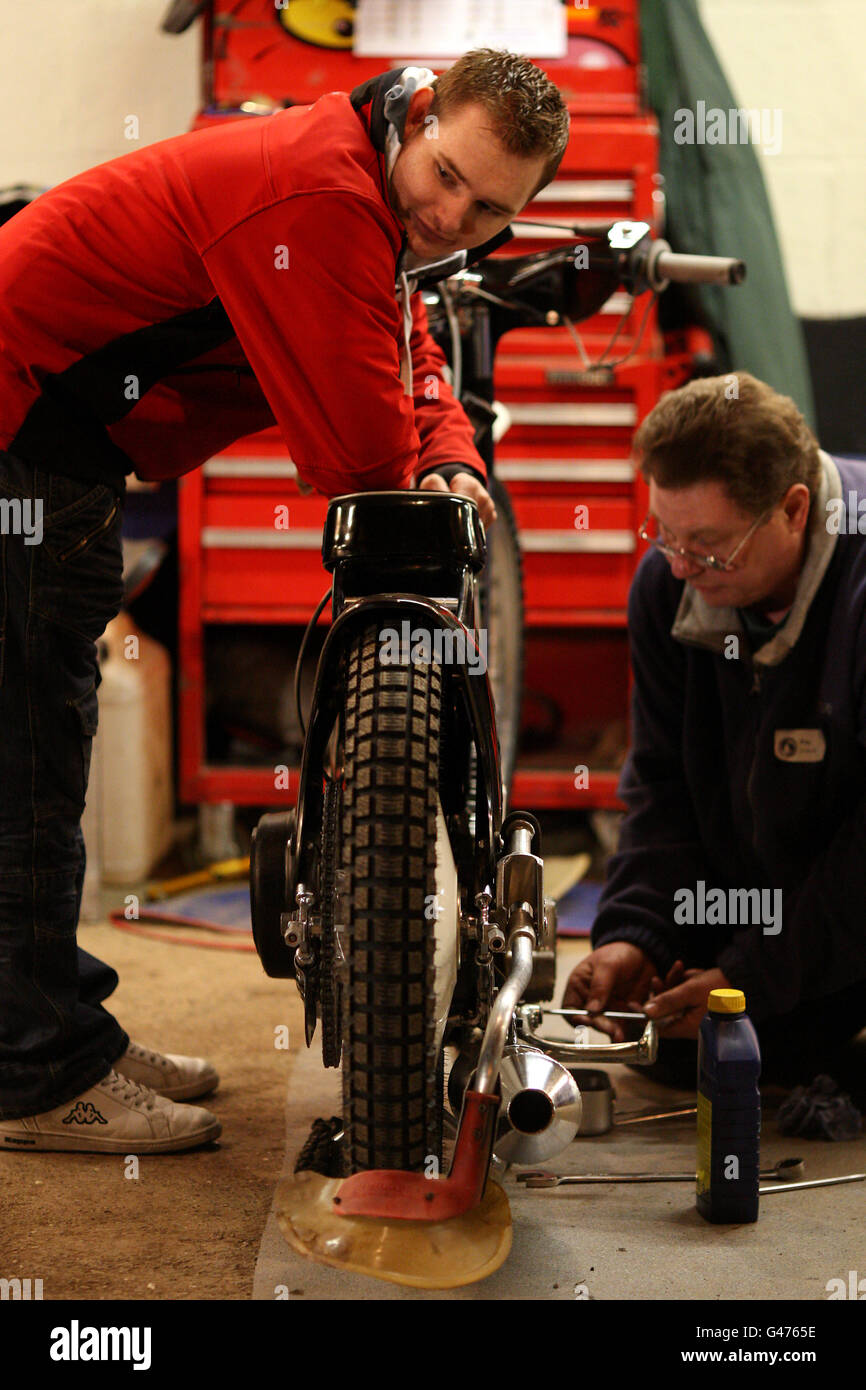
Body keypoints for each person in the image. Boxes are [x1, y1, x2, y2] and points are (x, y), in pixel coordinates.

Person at [0, 49, 570, 1152]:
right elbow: (359, 449)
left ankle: (63, 1024)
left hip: (55, 450)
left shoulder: (363, 181)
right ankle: (35, 1077)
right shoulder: (319, 194)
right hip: (19, 440)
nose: (453, 214)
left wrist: (451, 457)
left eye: (490, 208)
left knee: (49, 749)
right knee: (26, 766)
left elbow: (399, 339)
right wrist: (422, 460)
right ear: (415, 117)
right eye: (445, 175)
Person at [564, 372, 866, 1097]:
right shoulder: (669, 588)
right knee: (674, 1044)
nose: (678, 565)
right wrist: (636, 932)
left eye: (708, 547)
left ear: (795, 510)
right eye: (664, 533)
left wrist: (753, 974)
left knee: (785, 1052)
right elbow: (662, 782)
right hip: (777, 910)